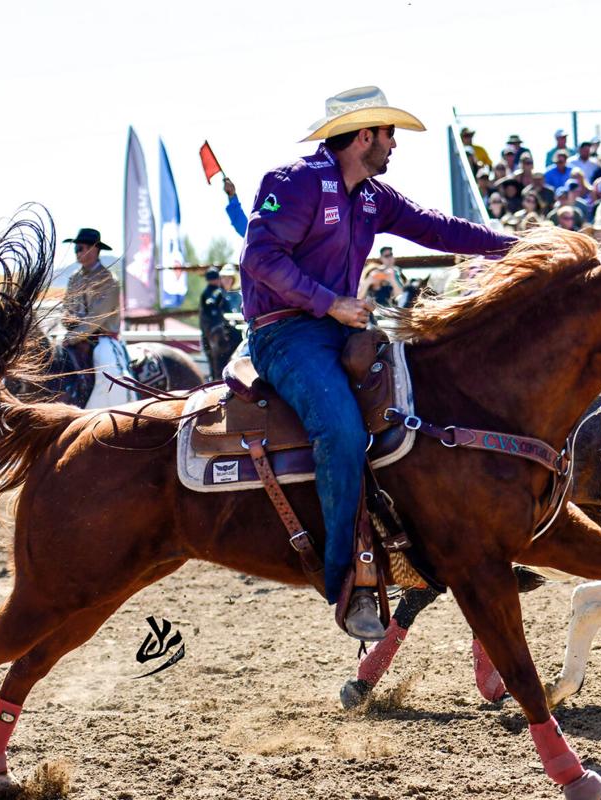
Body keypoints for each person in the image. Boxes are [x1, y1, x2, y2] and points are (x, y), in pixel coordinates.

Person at [239, 86, 515, 639]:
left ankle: (444, 538)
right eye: (389, 133)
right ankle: (349, 583)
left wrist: (520, 246)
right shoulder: (294, 182)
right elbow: (259, 257)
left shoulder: (370, 196)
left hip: (342, 328)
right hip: (286, 335)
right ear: (364, 135)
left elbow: (439, 227)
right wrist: (330, 303)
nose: (394, 145)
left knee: (436, 393)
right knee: (340, 432)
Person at [61, 227, 135, 408]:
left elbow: (96, 318)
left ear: (94, 249)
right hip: (74, 338)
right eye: (75, 248)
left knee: (110, 371)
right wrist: (67, 321)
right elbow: (67, 308)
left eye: (80, 248)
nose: (77, 252)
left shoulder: (108, 280)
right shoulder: (74, 278)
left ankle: (123, 409)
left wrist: (72, 337)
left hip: (102, 339)